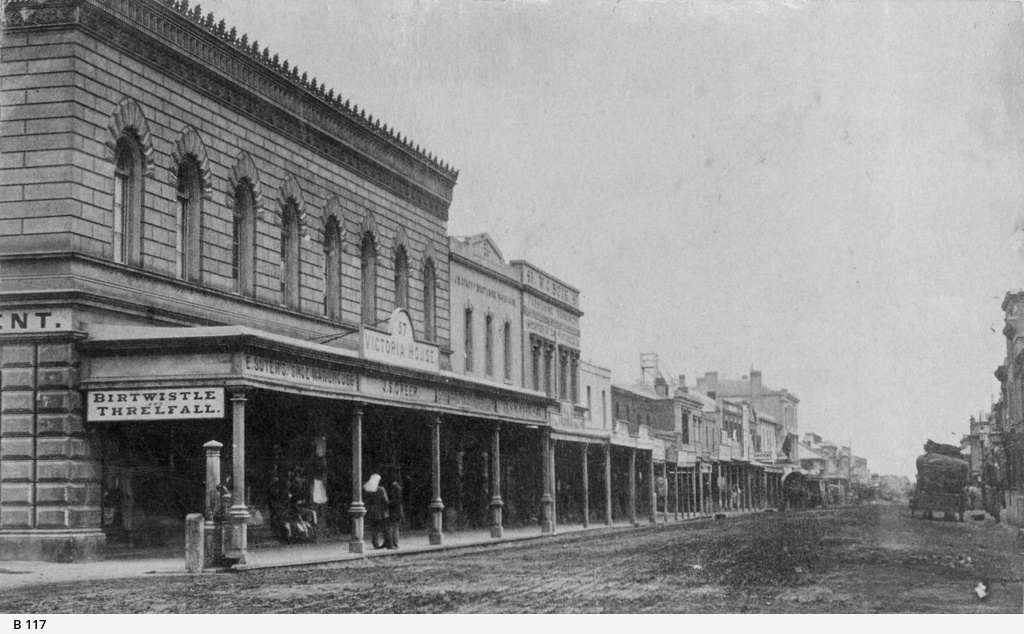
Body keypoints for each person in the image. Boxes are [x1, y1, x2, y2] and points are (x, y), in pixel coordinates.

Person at [363, 473, 388, 549]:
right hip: (381, 511)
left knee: (374, 529)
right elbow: (385, 500)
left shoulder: (369, 490)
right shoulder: (381, 489)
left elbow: (366, 500)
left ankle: (375, 544)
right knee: (384, 527)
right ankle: (386, 542)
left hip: (372, 511)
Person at [384, 468, 404, 550]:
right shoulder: (396, 488)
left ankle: (393, 544)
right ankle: (394, 543)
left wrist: (388, 503)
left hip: (395, 511)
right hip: (396, 511)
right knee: (395, 527)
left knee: (393, 527)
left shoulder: (395, 488)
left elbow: (396, 501)